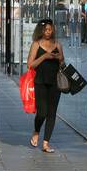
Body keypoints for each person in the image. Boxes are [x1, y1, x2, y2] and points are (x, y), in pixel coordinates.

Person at [27, 19, 65, 153]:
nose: (48, 32)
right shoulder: (36, 44)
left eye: (50, 29)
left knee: (52, 113)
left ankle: (46, 143)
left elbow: (62, 63)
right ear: (41, 30)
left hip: (55, 83)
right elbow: (30, 64)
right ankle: (36, 131)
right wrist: (45, 57)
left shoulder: (58, 45)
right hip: (40, 82)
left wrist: (59, 58)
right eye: (46, 30)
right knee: (42, 112)